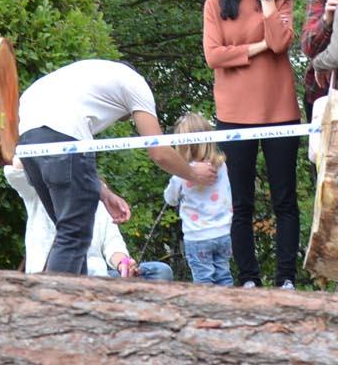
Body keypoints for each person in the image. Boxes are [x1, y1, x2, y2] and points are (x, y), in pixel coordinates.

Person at [16, 59, 218, 276]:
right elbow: (158, 151)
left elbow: (60, 147)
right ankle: (55, 296)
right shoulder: (136, 83)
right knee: (74, 233)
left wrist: (104, 193)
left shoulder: (86, 78)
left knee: (69, 233)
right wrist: (193, 173)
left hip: (27, 139)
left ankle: (72, 293)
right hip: (62, 138)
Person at [202, 0, 300, 289]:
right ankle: (248, 279)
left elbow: (280, 42)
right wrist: (258, 47)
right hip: (234, 114)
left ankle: (286, 277)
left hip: (279, 110)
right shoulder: (215, 4)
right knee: (240, 202)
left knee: (284, 199)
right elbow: (214, 56)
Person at [4, 160, 171, 280]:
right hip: (51, 277)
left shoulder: (99, 201)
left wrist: (123, 264)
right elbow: (16, 170)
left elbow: (113, 245)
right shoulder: (38, 194)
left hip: (97, 276)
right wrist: (47, 144)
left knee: (160, 271)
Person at [162, 112, 233, 287]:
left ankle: (206, 305)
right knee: (224, 275)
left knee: (203, 280)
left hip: (197, 236)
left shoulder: (182, 173)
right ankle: (229, 302)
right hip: (223, 232)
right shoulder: (221, 166)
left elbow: (170, 199)